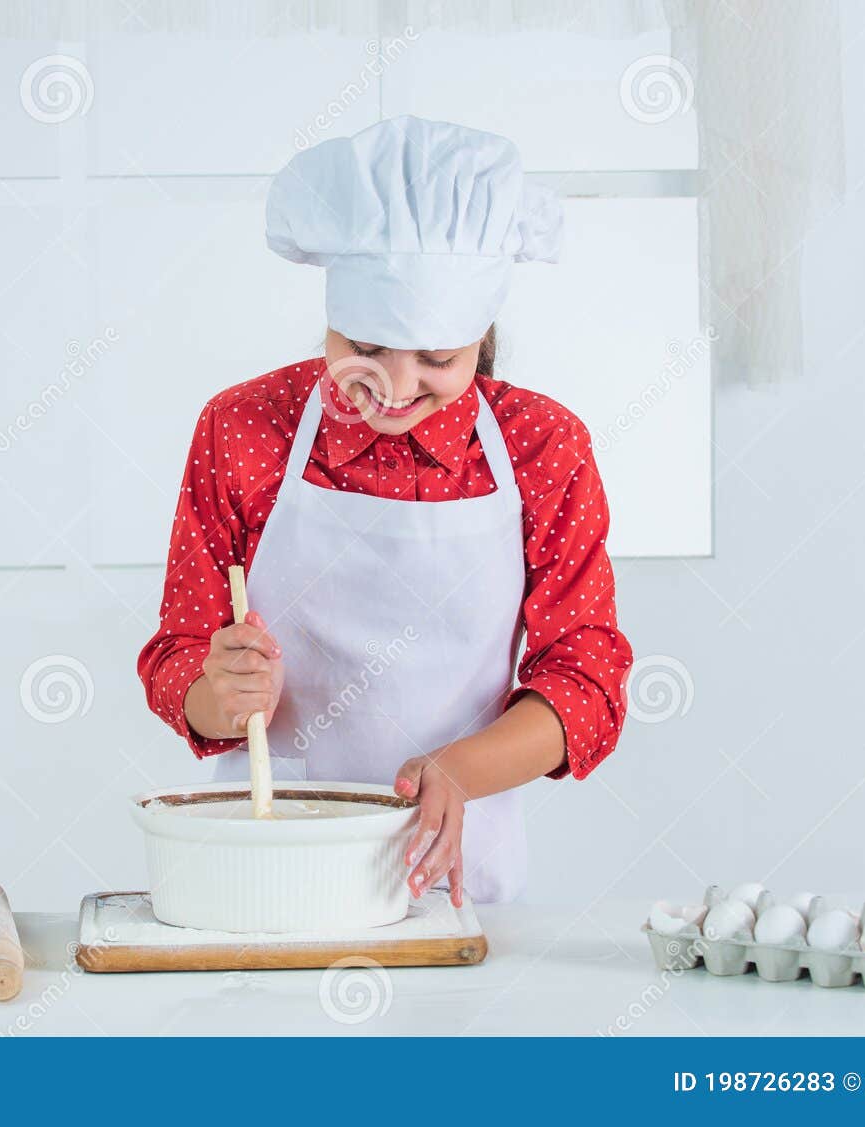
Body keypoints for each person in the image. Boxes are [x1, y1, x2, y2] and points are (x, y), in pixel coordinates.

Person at [137, 117, 633, 905]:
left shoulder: (543, 447)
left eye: (437, 358)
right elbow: (178, 655)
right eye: (364, 347)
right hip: (267, 864)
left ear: (481, 335)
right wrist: (216, 693)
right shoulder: (244, 429)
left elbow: (587, 681)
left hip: (453, 875)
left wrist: (459, 771)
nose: (394, 389)